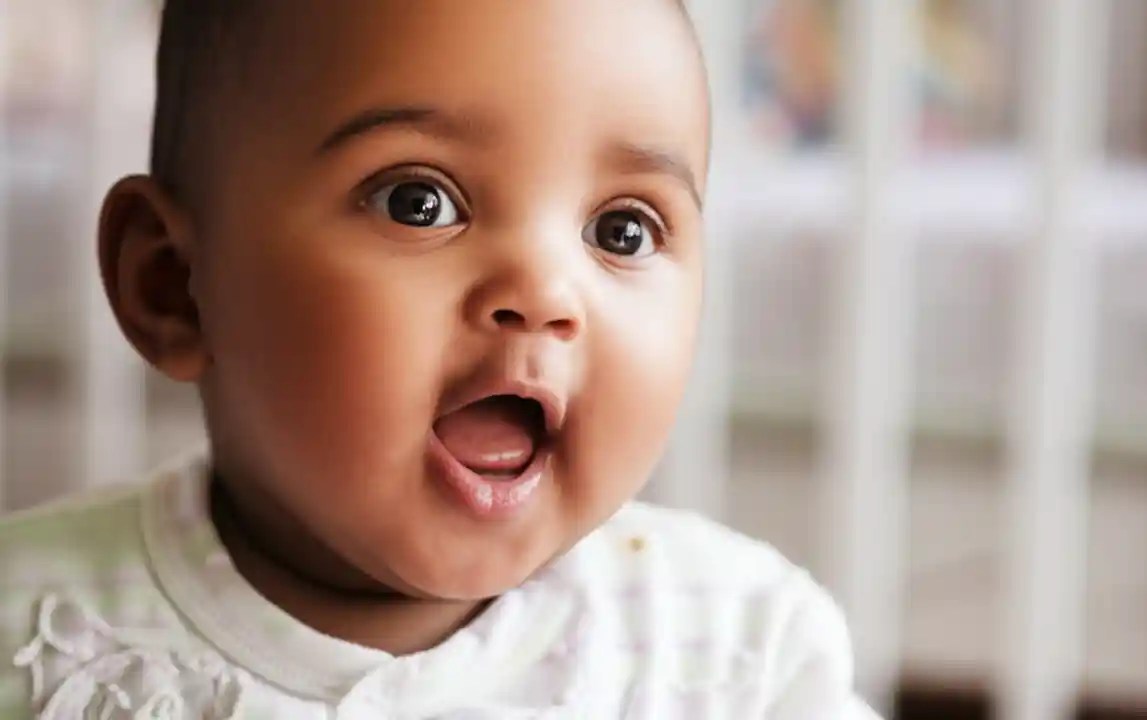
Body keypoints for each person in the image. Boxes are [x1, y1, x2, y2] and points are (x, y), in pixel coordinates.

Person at [0, 1, 879, 716]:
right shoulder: (30, 629)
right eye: (420, 202)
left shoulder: (739, 651)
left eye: (622, 230)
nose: (543, 289)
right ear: (173, 285)